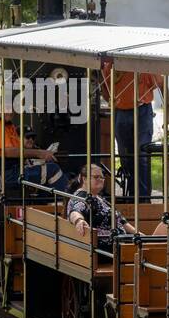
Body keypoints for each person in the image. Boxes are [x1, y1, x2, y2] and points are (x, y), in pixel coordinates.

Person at [99, 60, 160, 198]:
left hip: (142, 109)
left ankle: (143, 198)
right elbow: (106, 91)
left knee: (141, 155)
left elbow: (161, 84)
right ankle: (132, 194)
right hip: (121, 111)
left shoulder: (145, 64)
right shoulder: (110, 66)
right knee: (125, 156)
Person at [0, 109, 69, 192]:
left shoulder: (8, 125)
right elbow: (9, 151)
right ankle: (68, 203)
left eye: (12, 108)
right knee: (53, 170)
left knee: (48, 167)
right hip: (6, 175)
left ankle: (50, 204)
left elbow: (18, 149)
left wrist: (41, 156)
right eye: (6, 108)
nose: (10, 111)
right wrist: (40, 153)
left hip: (13, 171)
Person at [67, 163, 136, 254]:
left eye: (102, 177)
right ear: (85, 179)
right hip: (103, 249)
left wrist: (142, 236)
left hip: (120, 243)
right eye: (96, 177)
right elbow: (75, 211)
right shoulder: (82, 197)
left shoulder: (100, 199)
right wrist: (79, 220)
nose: (100, 180)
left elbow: (122, 222)